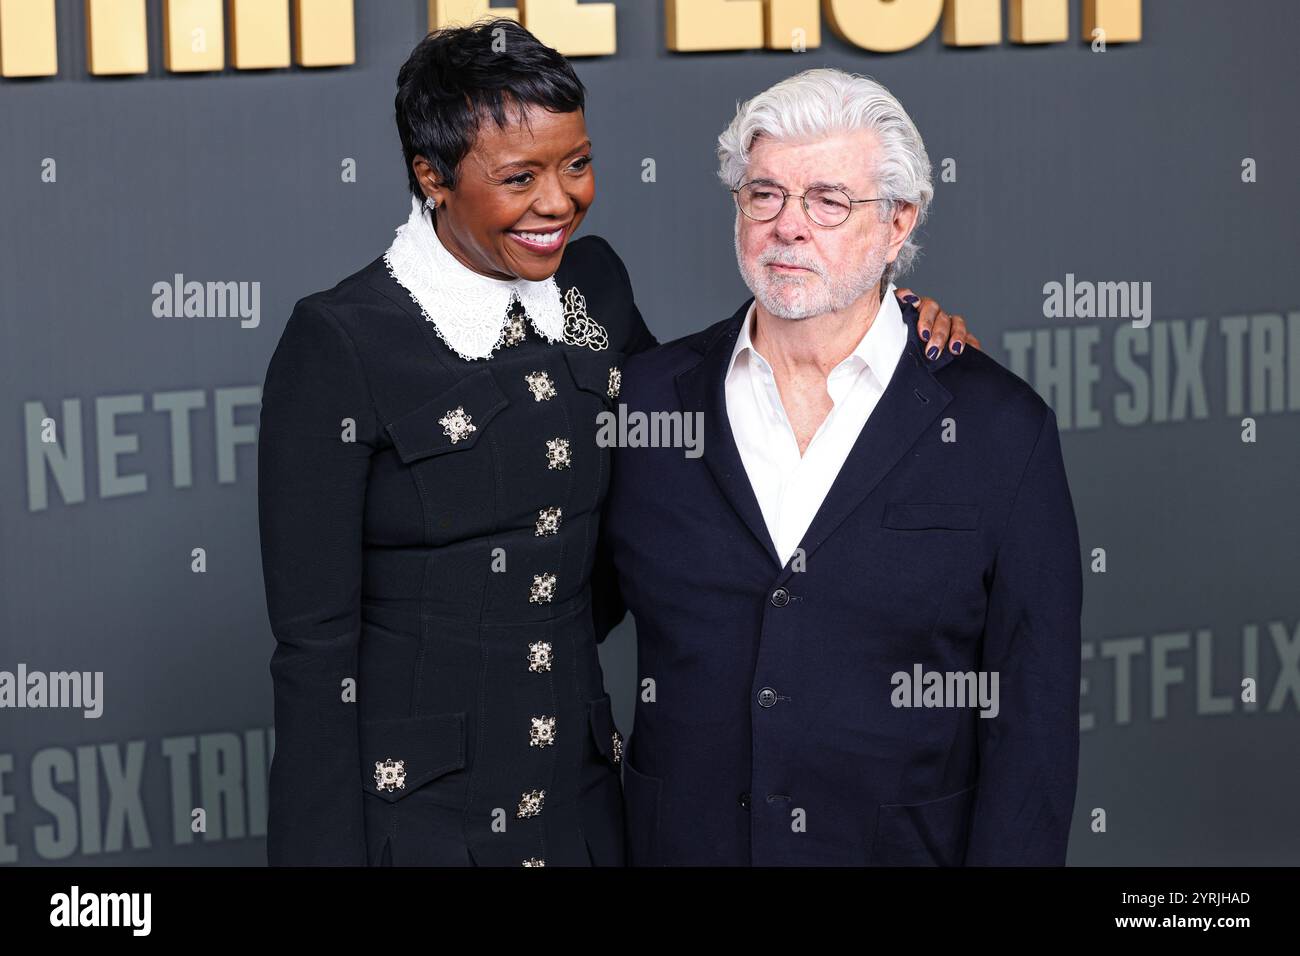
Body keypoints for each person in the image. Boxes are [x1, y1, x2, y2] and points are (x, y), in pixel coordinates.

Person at [257, 21, 977, 867]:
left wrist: (879, 316)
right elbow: (312, 656)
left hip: (586, 799)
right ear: (432, 176)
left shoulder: (594, 285)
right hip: (418, 817)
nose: (558, 201)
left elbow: (704, 418)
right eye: (519, 177)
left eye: (577, 163)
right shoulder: (340, 341)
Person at [603, 68, 1083, 866]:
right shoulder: (648, 398)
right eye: (764, 195)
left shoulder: (1001, 430)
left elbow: (1033, 721)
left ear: (899, 224)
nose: (787, 227)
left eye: (829, 200)